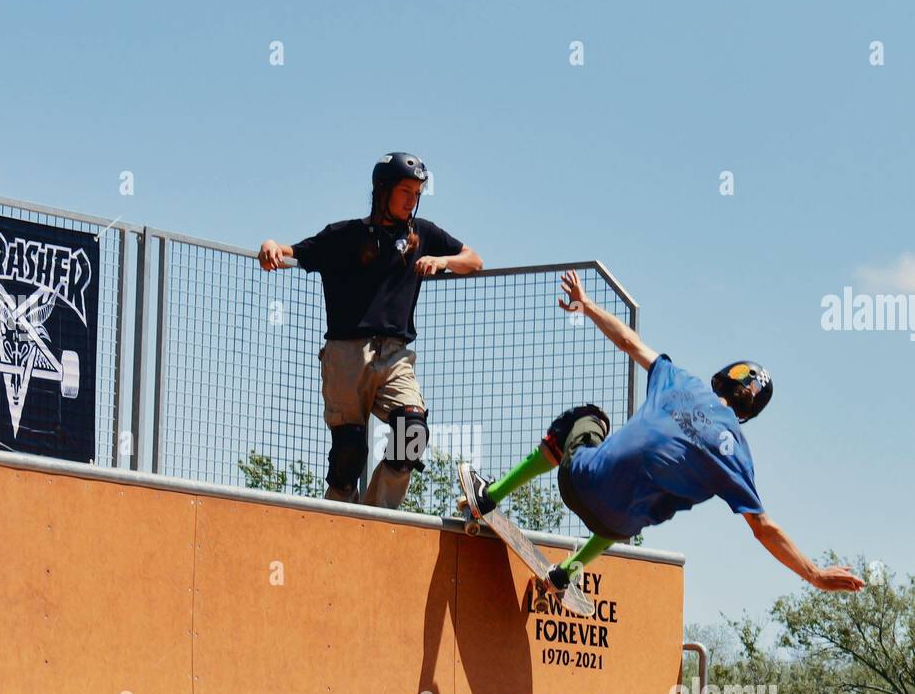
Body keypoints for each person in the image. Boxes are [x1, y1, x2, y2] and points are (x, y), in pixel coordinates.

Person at [460, 269, 865, 595]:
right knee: (646, 502)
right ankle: (567, 573)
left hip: (580, 482)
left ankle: (488, 496)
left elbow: (629, 342)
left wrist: (587, 306)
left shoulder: (681, 382)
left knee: (590, 419)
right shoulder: (736, 453)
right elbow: (765, 528)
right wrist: (813, 573)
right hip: (615, 528)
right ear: (749, 414)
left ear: (723, 379)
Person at [258, 152, 482, 508]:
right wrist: (271, 244)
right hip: (346, 355)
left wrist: (443, 261)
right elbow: (292, 251)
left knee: (411, 432)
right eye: (405, 191)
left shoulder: (423, 234)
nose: (412, 200)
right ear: (383, 191)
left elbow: (474, 259)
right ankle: (339, 520)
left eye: (417, 193)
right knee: (349, 453)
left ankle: (377, 519)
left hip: (395, 356)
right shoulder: (344, 235)